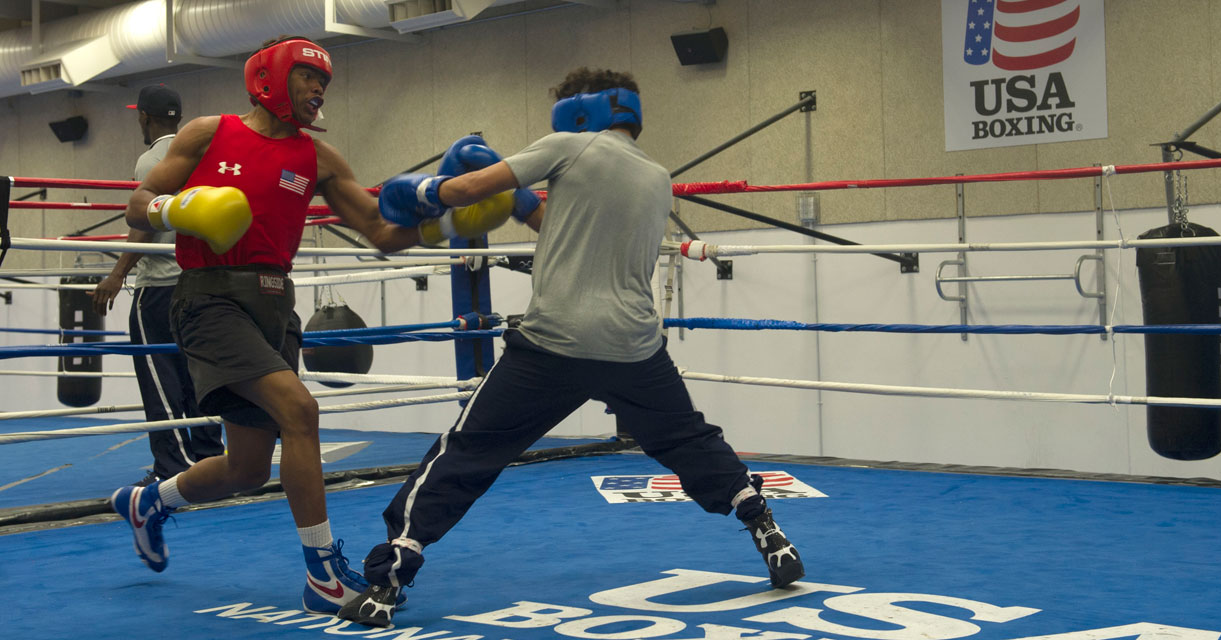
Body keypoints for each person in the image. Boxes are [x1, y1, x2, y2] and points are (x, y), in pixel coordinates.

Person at [338, 67, 804, 628]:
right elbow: (563, 227)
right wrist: (519, 203)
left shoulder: (568, 146)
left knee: (468, 450)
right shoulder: (658, 176)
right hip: (634, 346)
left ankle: (388, 581)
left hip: (554, 343)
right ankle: (766, 529)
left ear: (581, 111)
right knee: (689, 440)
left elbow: (463, 190)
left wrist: (415, 191)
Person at [107, 36, 536, 616]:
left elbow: (381, 234)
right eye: (308, 76)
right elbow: (139, 204)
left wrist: (445, 225)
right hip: (209, 299)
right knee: (300, 410)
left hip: (273, 305)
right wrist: (178, 208)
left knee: (247, 468)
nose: (318, 89)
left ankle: (149, 502)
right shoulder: (209, 133)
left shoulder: (319, 159)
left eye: (324, 82)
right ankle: (324, 575)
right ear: (270, 76)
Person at [92, 85, 224, 487]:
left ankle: (173, 467)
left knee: (160, 378)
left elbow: (145, 223)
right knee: (199, 374)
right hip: (201, 284)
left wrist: (118, 274)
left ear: (143, 117)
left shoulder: (152, 160)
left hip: (159, 288)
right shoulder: (206, 154)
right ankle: (209, 459)